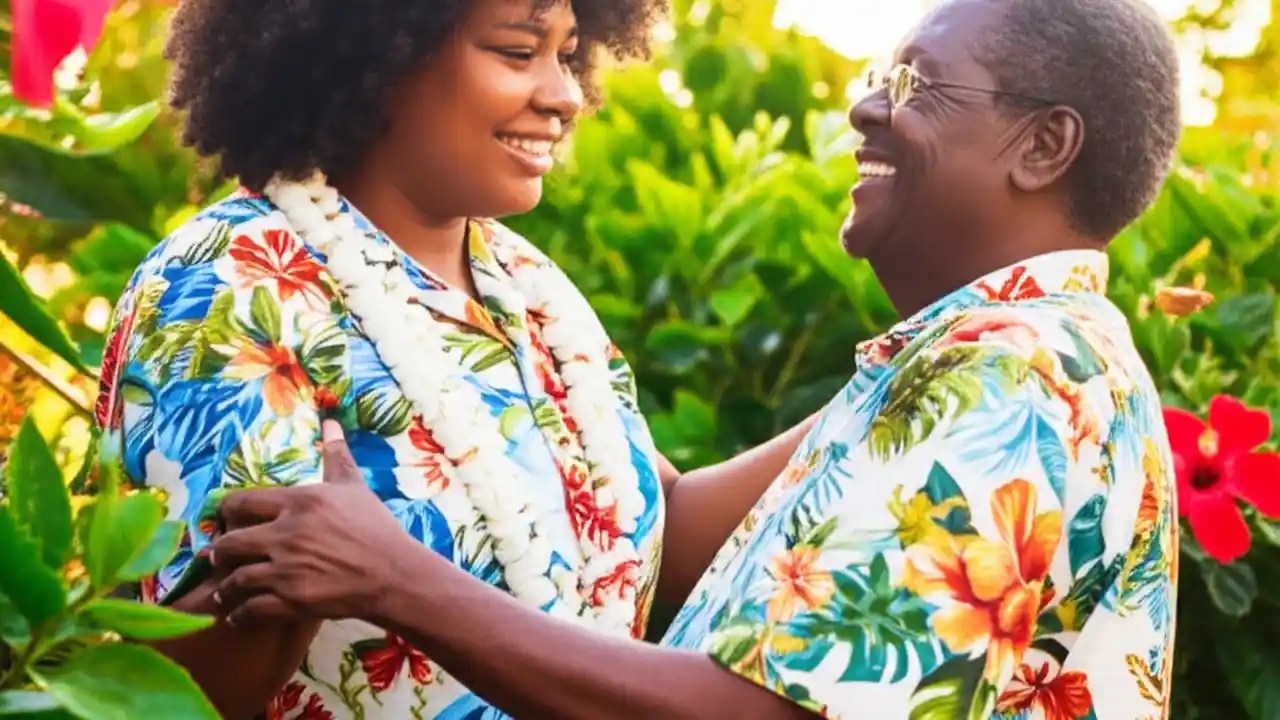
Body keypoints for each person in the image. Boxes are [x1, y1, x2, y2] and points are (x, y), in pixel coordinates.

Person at [207, 0, 1185, 717]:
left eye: (912, 83)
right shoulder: (974, 357)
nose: (863, 107)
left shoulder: (1019, 373)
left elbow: (752, 714)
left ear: (1042, 145)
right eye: (518, 50)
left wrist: (393, 578)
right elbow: (650, 532)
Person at [93, 0, 821, 718]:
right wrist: (310, 583)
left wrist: (902, 377)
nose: (564, 95)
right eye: (516, 51)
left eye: (566, 54)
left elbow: (653, 534)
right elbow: (179, 697)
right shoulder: (234, 281)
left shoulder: (525, 284)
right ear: (379, 55)